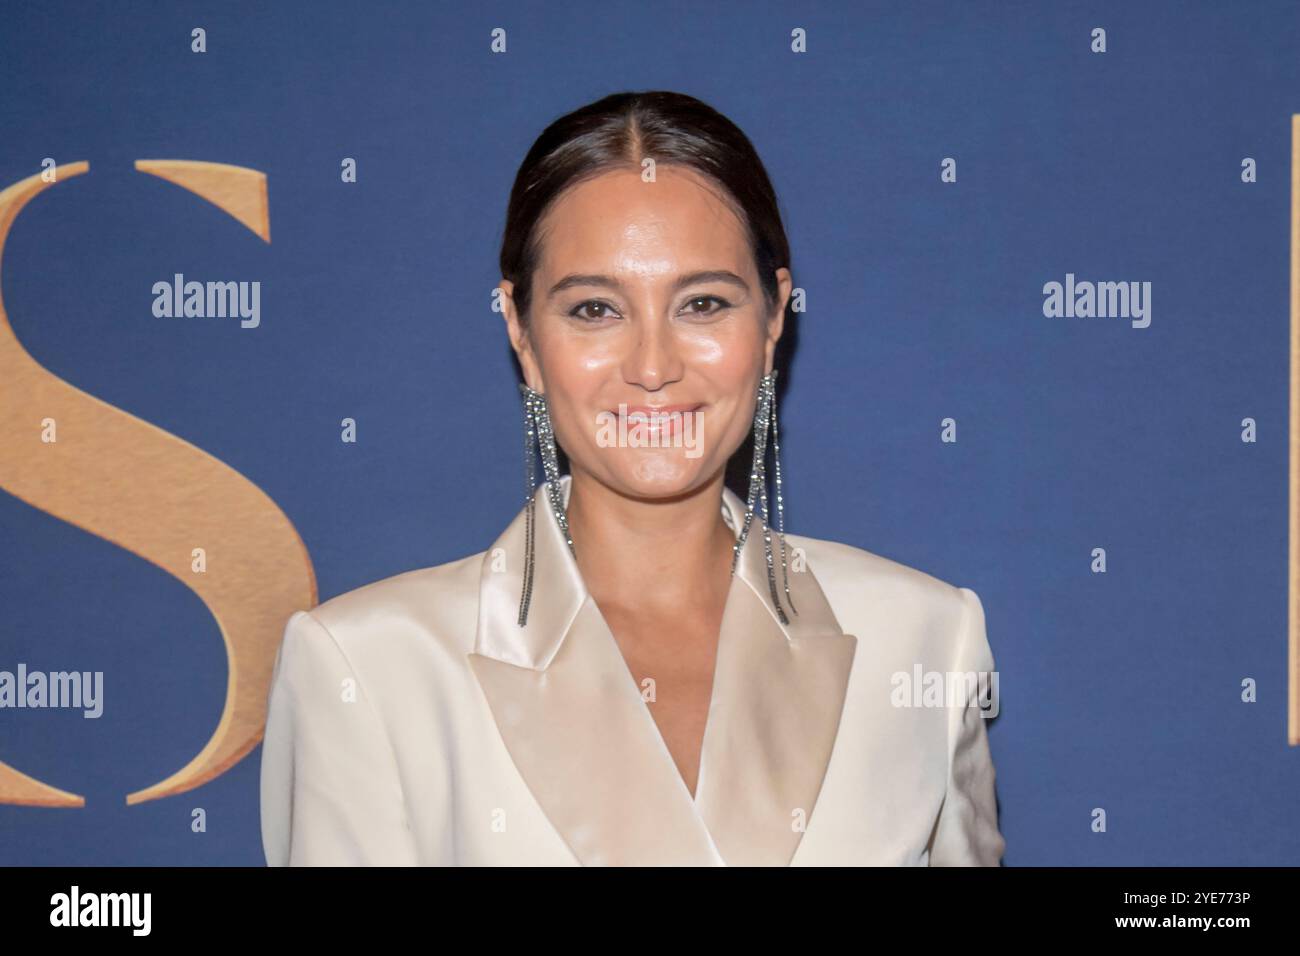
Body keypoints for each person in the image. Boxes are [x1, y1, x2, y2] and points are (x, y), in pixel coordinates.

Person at [259, 90, 1006, 866]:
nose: (654, 367)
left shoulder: (921, 641)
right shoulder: (368, 669)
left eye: (704, 303)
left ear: (776, 316)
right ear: (521, 331)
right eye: (594, 310)